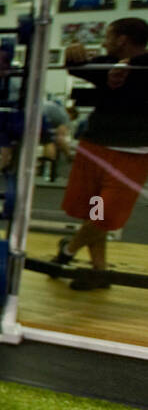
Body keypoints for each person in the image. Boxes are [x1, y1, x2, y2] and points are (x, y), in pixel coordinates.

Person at [52, 17, 148, 290]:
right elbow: (75, 67)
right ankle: (99, 271)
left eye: (108, 35)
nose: (104, 41)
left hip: (133, 154)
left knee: (104, 216)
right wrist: (73, 50)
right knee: (93, 212)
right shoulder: (107, 64)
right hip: (94, 148)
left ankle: (66, 252)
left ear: (122, 40)